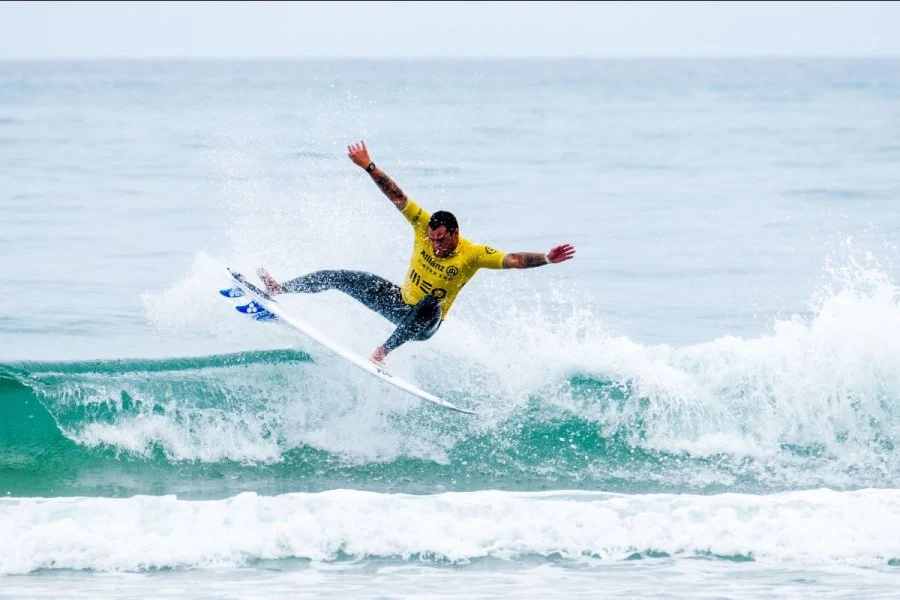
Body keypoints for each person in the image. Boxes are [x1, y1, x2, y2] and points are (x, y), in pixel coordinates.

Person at [257, 140, 576, 365]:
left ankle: (382, 352)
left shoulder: (473, 255)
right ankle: (281, 288)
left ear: (454, 234)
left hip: (425, 323)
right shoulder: (422, 225)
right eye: (431, 239)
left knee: (430, 303)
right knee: (343, 277)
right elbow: (396, 196)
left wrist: (547, 258)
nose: (435, 245)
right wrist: (369, 165)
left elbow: (514, 260)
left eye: (440, 240)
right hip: (399, 303)